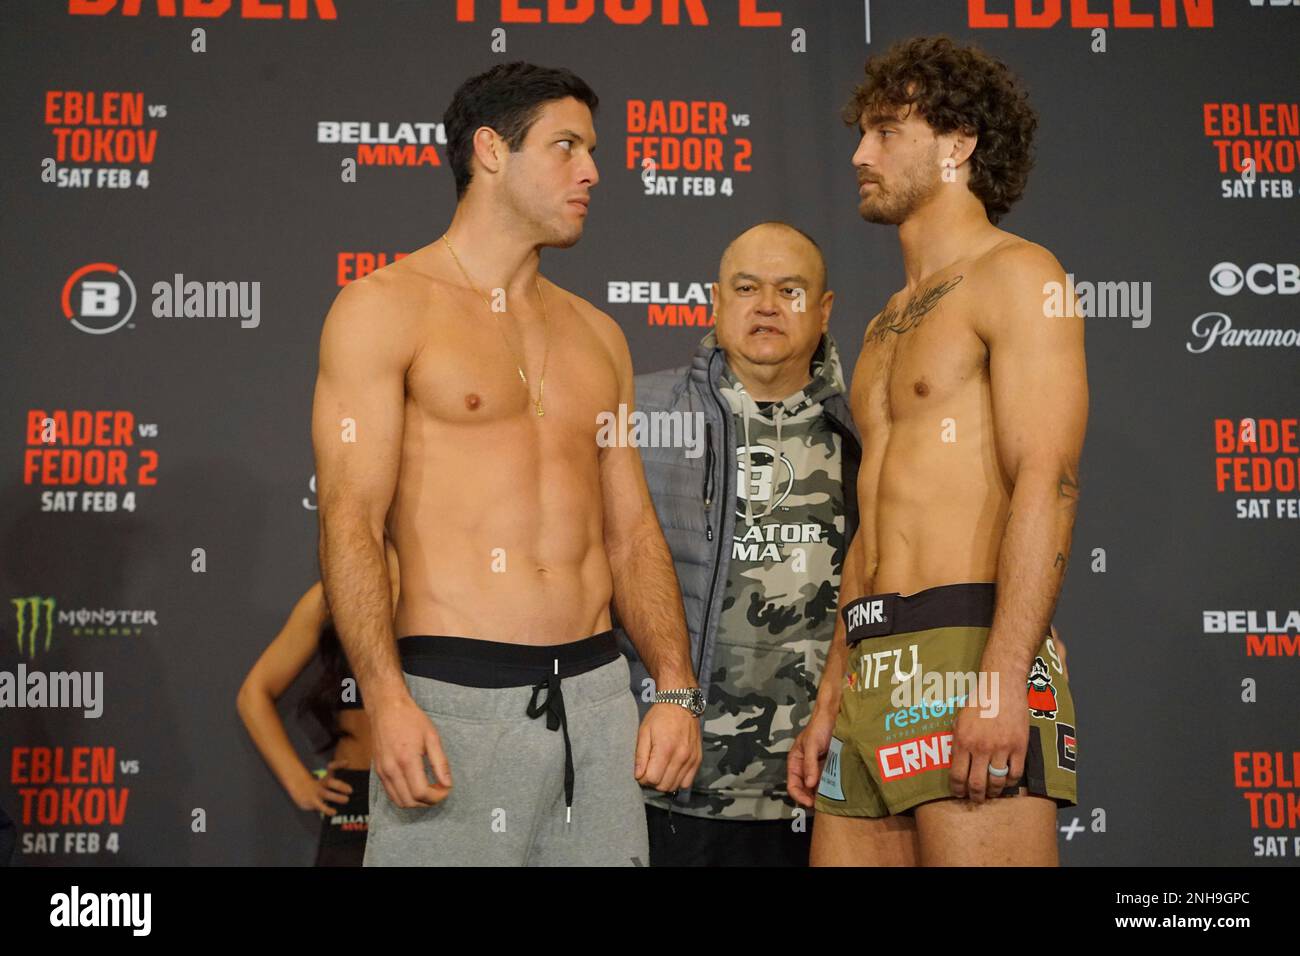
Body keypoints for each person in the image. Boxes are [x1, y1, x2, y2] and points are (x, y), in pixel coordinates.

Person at [310, 61, 702, 867]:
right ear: (490, 150)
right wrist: (385, 699)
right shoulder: (384, 307)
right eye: (566, 147)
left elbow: (630, 533)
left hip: (597, 704)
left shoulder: (598, 335)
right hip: (451, 704)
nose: (593, 171)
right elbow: (352, 518)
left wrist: (673, 687)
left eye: (591, 150)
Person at [789, 36, 1087, 866]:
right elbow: (873, 519)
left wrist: (1002, 676)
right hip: (872, 660)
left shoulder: (1020, 277)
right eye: (863, 133)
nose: (859, 154)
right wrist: (830, 696)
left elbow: (1048, 482)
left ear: (958, 145)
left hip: (969, 645)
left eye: (886, 132)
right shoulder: (886, 320)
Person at [622, 222, 859, 866]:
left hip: (819, 792)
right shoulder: (641, 415)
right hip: (665, 787)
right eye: (747, 287)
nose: (766, 305)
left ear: (825, 309)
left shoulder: (871, 427)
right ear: (716, 301)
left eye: (791, 289)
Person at [235, 543, 399, 866]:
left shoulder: (447, 593)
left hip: (429, 795)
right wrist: (300, 783)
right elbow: (254, 694)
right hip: (356, 802)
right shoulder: (334, 595)